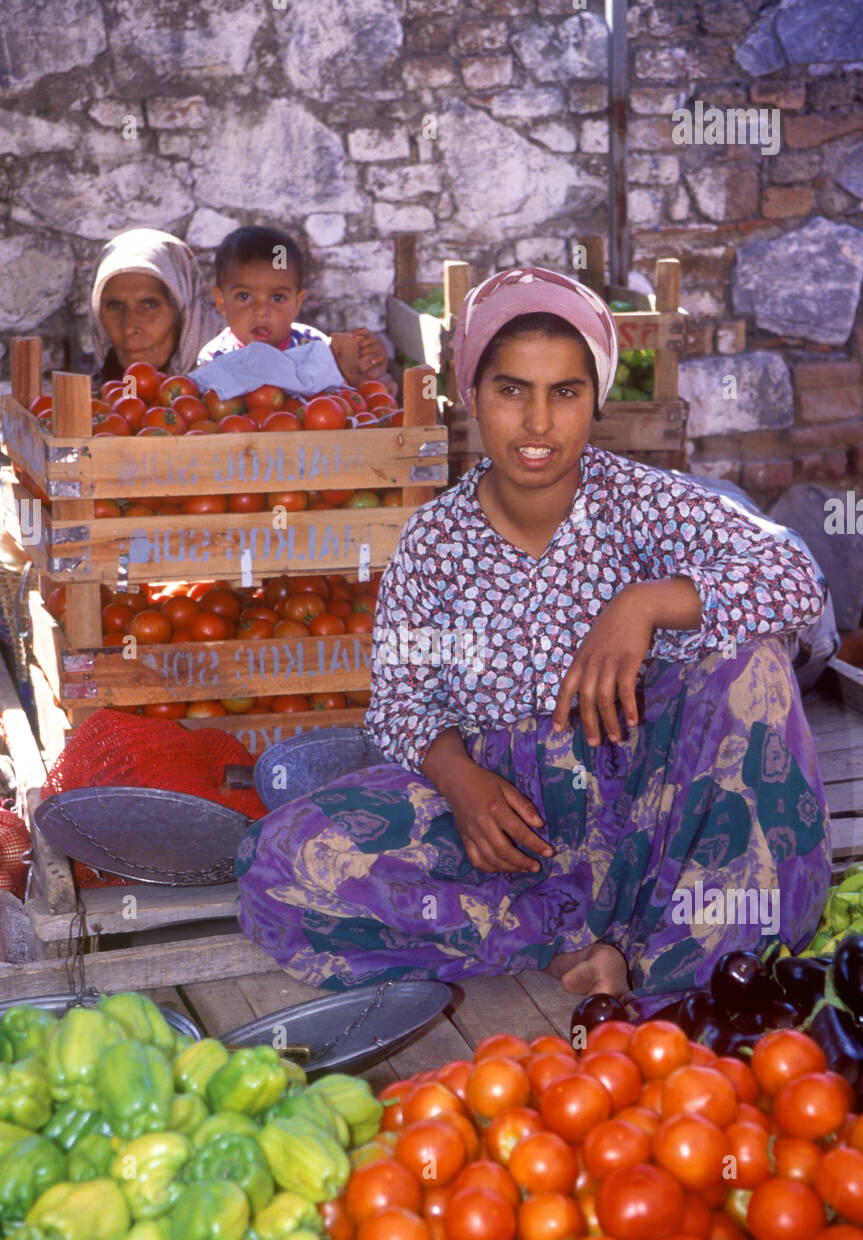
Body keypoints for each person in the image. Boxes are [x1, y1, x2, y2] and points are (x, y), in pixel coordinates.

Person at [234, 266, 832, 1013]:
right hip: (508, 832)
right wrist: (458, 778)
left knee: (753, 669)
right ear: (471, 397)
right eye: (511, 389)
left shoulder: (645, 503)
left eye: (566, 392)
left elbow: (793, 577)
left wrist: (644, 603)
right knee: (283, 866)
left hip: (652, 806)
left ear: (597, 398)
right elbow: (399, 707)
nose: (539, 422)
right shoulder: (433, 543)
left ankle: (676, 970)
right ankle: (563, 943)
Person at [196, 225, 395, 391]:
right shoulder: (215, 358)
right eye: (244, 296)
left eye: (277, 297)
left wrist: (369, 362)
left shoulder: (314, 347)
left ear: (297, 303)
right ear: (221, 301)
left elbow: (353, 387)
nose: (261, 310)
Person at [88, 228, 224, 384]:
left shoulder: (234, 387)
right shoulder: (103, 391)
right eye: (115, 306)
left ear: (184, 311)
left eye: (149, 305)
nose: (129, 327)